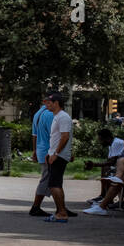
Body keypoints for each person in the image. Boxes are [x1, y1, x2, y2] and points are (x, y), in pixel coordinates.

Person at [43, 91, 74, 221]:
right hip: (56, 154)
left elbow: (65, 137)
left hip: (59, 156)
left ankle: (62, 213)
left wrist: (55, 153)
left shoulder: (63, 117)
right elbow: (56, 138)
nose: (46, 105)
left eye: (49, 103)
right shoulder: (58, 116)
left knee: (54, 185)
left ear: (56, 103)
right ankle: (60, 211)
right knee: (56, 184)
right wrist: (49, 153)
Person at [29, 96, 56, 217]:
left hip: (41, 150)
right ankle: (36, 206)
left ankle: (61, 207)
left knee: (53, 179)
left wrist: (34, 151)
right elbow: (55, 135)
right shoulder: (50, 114)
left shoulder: (38, 114)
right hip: (48, 151)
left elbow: (34, 134)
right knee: (48, 179)